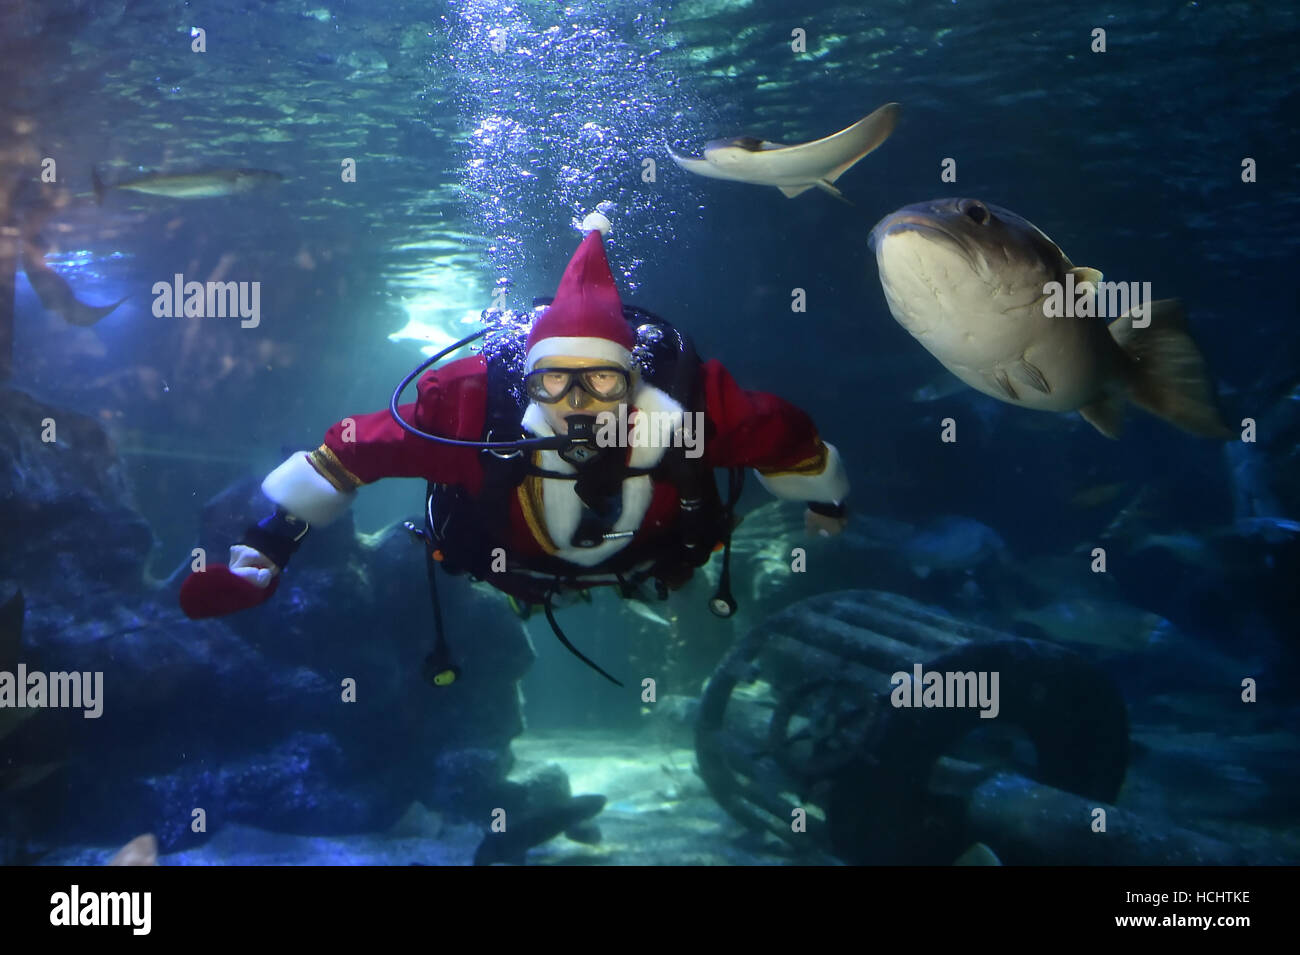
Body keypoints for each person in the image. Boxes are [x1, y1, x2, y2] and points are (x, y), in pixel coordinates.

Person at [179, 218, 849, 684]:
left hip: (656, 557)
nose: (578, 401)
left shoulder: (697, 412)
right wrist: (265, 549)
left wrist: (828, 500)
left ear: (634, 376)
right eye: (554, 379)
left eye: (603, 380)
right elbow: (356, 452)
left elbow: (787, 435)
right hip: (512, 570)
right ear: (526, 379)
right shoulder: (475, 418)